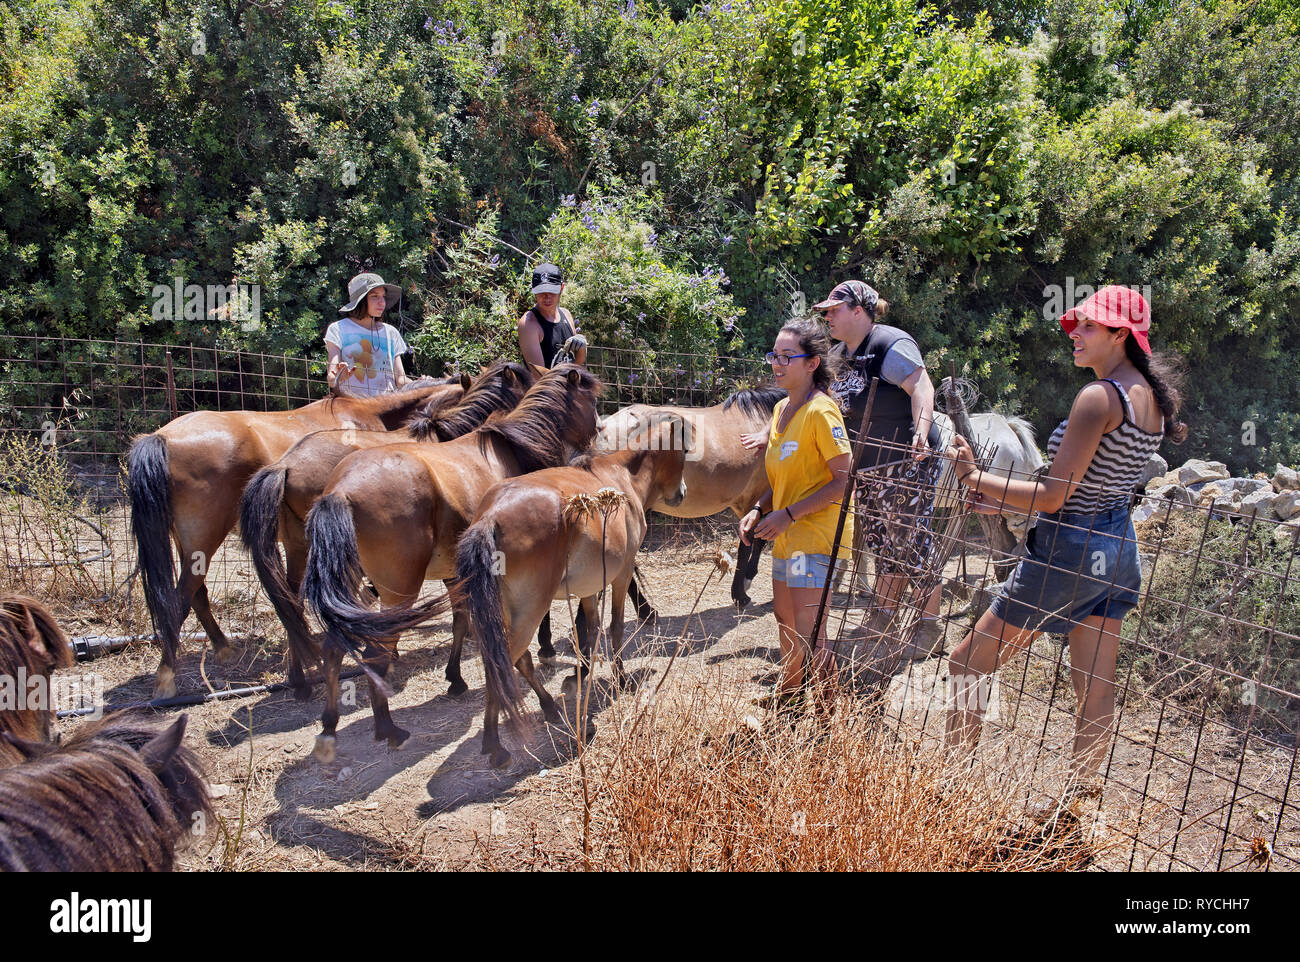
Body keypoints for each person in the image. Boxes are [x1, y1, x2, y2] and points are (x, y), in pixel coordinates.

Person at [944, 285, 1185, 796]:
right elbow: (1090, 486)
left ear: (1121, 334)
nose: (1075, 334)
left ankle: (950, 789)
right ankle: (1078, 803)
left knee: (966, 662)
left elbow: (1055, 496)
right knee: (1094, 686)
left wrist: (972, 477)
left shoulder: (1099, 397)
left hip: (1070, 551)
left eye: (1090, 327)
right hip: (1117, 547)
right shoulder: (1150, 401)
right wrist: (1010, 500)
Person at [813, 280, 945, 660]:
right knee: (883, 543)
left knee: (912, 541)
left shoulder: (889, 344)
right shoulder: (839, 354)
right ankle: (885, 617)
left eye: (834, 310)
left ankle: (930, 626)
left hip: (906, 460)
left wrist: (921, 431)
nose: (828, 317)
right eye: (825, 311)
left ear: (859, 310)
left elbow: (922, 386)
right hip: (867, 467)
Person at [739, 318, 854, 712]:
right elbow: (785, 477)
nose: (777, 363)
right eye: (775, 355)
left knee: (809, 630)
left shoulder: (822, 412)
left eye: (788, 357)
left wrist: (787, 514)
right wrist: (760, 508)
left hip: (815, 534)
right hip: (786, 532)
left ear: (812, 363)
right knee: (784, 617)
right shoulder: (781, 409)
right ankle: (789, 698)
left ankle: (825, 719)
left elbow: (843, 479)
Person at [325, 272, 410, 396]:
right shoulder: (338, 329)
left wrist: (425, 384)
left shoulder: (391, 332)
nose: (382, 302)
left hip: (386, 408)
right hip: (351, 408)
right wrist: (338, 377)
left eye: (383, 297)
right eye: (375, 296)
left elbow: (401, 380)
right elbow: (331, 378)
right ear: (360, 301)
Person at [517, 262, 587, 368]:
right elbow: (539, 375)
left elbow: (576, 364)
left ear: (561, 288)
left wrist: (582, 349)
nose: (547, 297)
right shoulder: (529, 324)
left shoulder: (566, 315)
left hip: (569, 382)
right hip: (545, 384)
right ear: (534, 291)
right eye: (542, 292)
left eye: (552, 291)